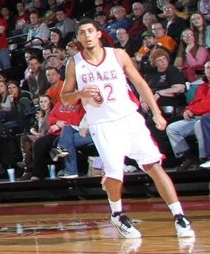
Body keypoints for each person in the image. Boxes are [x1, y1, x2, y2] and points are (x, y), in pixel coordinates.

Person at [61, 19, 194, 240]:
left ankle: (179, 216)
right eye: (82, 33)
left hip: (129, 118)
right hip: (102, 124)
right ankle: (117, 214)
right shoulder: (74, 63)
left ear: (98, 34)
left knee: (153, 166)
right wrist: (80, 94)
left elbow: (140, 83)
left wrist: (156, 112)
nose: (87, 35)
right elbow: (65, 97)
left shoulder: (118, 55)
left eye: (90, 31)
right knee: (114, 174)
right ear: (79, 38)